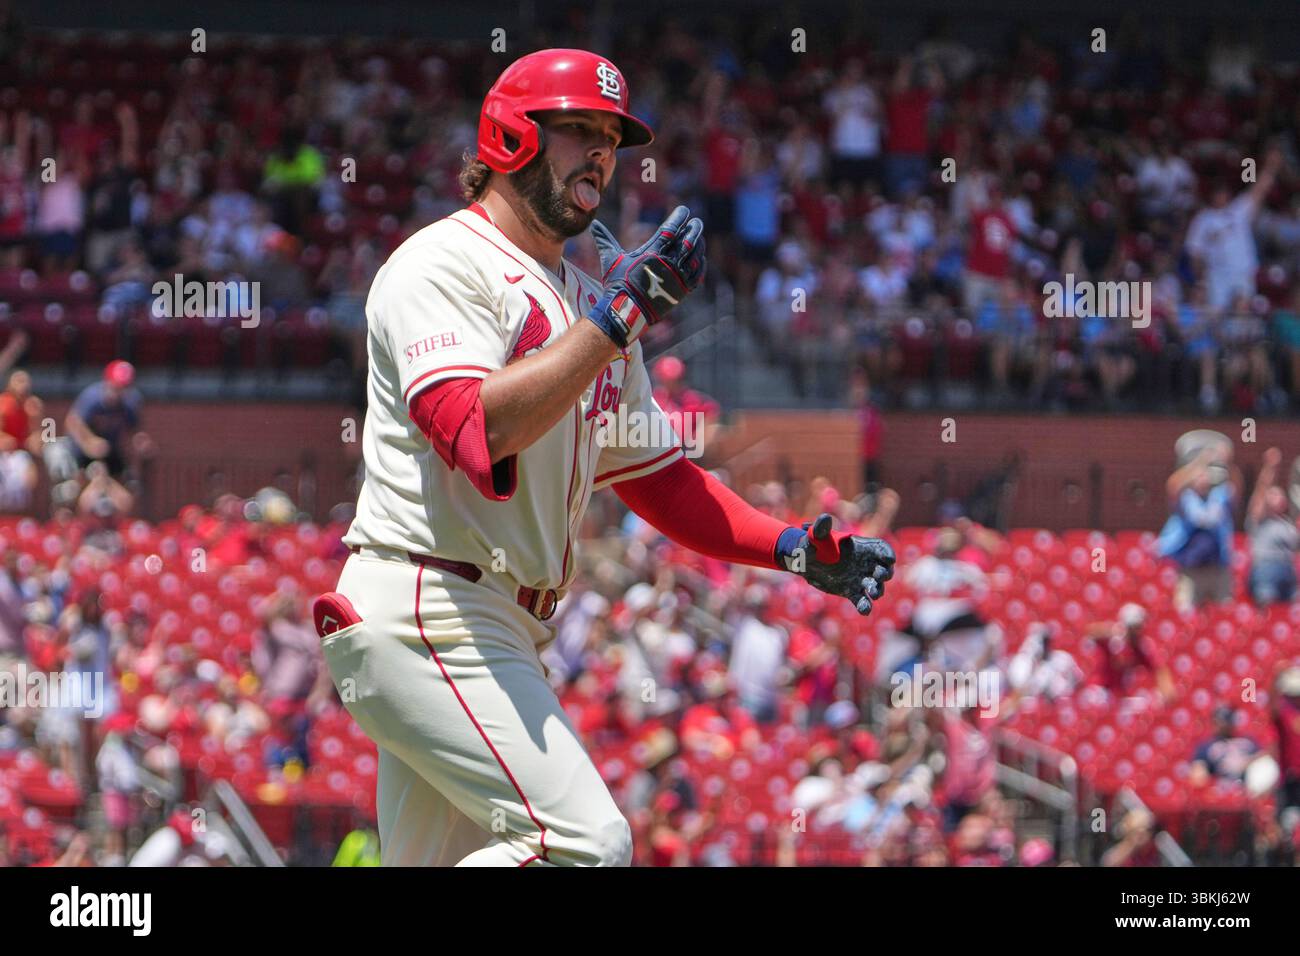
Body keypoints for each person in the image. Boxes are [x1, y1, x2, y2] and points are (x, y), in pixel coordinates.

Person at [313, 49, 895, 868]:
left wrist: (789, 547)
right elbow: (474, 432)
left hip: (503, 624)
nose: (601, 154)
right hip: (429, 606)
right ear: (512, 136)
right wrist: (621, 318)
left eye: (612, 139)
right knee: (584, 845)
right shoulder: (441, 262)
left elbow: (657, 477)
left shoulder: (590, 302)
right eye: (578, 129)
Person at [1155, 440, 1237, 610]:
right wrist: (1202, 460)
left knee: (1226, 614)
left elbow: (1236, 487)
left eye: (1205, 475)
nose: (1202, 478)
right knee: (1185, 612)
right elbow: (1173, 486)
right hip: (1191, 569)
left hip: (1217, 568)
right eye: (1198, 476)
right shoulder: (1186, 500)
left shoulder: (1219, 497)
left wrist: (1228, 463)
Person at [63, 360, 150, 480]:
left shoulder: (130, 402)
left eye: (124, 387)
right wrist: (89, 442)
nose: (119, 391)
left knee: (128, 482)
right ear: (107, 381)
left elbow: (134, 429)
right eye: (116, 386)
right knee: (82, 483)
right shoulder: (92, 398)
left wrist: (140, 441)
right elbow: (72, 422)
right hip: (81, 451)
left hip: (110, 450)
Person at [1245, 447, 1300, 605]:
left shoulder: (1288, 524)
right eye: (1273, 493)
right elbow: (1261, 491)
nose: (1278, 496)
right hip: (1266, 569)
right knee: (1266, 608)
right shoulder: (1259, 519)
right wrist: (1270, 468)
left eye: (1280, 493)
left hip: (1288, 570)